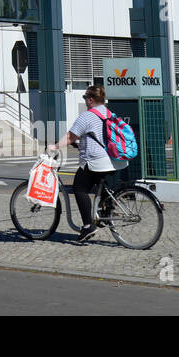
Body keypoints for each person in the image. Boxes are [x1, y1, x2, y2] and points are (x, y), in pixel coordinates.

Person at [48, 85, 117, 242]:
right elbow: (97, 136)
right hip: (111, 159)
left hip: (95, 160)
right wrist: (81, 144)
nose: (85, 101)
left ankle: (88, 226)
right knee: (99, 186)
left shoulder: (87, 116)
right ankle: (107, 211)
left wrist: (55, 146)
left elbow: (71, 137)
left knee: (79, 188)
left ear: (91, 99)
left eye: (86, 98)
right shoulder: (109, 113)